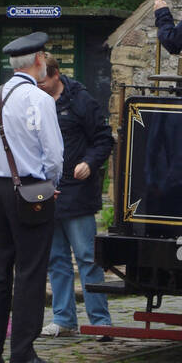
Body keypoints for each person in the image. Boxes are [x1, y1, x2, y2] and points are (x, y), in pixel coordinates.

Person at [0, 32, 64, 363]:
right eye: (44, 56)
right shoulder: (40, 100)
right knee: (30, 271)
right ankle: (22, 353)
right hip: (30, 189)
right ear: (38, 60)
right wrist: (49, 185)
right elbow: (55, 156)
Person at [37, 56, 114, 342]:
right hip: (47, 191)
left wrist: (90, 162)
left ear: (56, 75)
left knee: (86, 257)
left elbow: (104, 138)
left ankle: (100, 322)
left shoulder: (81, 100)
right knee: (55, 258)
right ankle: (63, 318)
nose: (38, 84)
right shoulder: (36, 102)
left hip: (78, 191)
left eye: (42, 79)